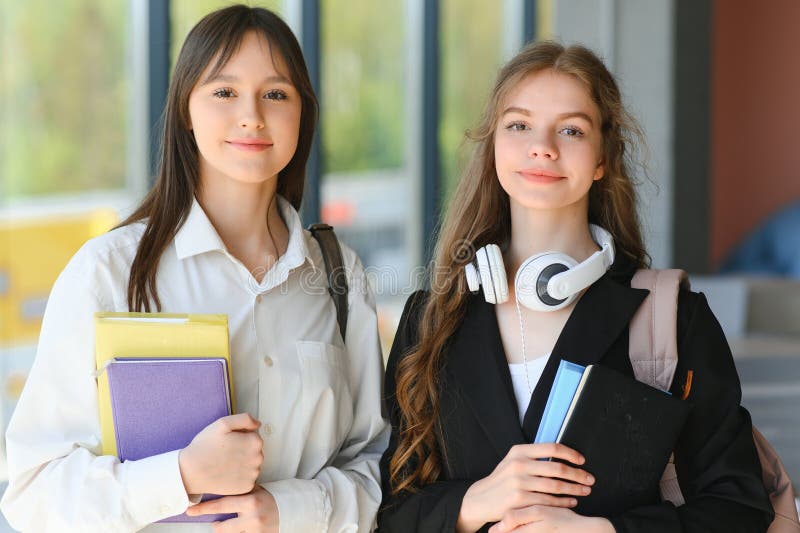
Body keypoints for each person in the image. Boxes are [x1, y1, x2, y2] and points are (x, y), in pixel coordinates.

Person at [1, 5, 387, 532]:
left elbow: (377, 466)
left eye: (276, 94)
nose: (251, 115)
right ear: (186, 108)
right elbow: (32, 492)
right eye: (224, 92)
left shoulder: (339, 276)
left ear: (303, 114)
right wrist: (179, 475)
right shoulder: (108, 274)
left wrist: (286, 511)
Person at [377, 41, 773, 532]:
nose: (542, 146)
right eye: (519, 125)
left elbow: (740, 508)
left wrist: (604, 532)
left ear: (602, 157)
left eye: (571, 129)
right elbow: (389, 509)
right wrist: (473, 502)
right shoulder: (432, 318)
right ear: (494, 146)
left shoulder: (670, 316)